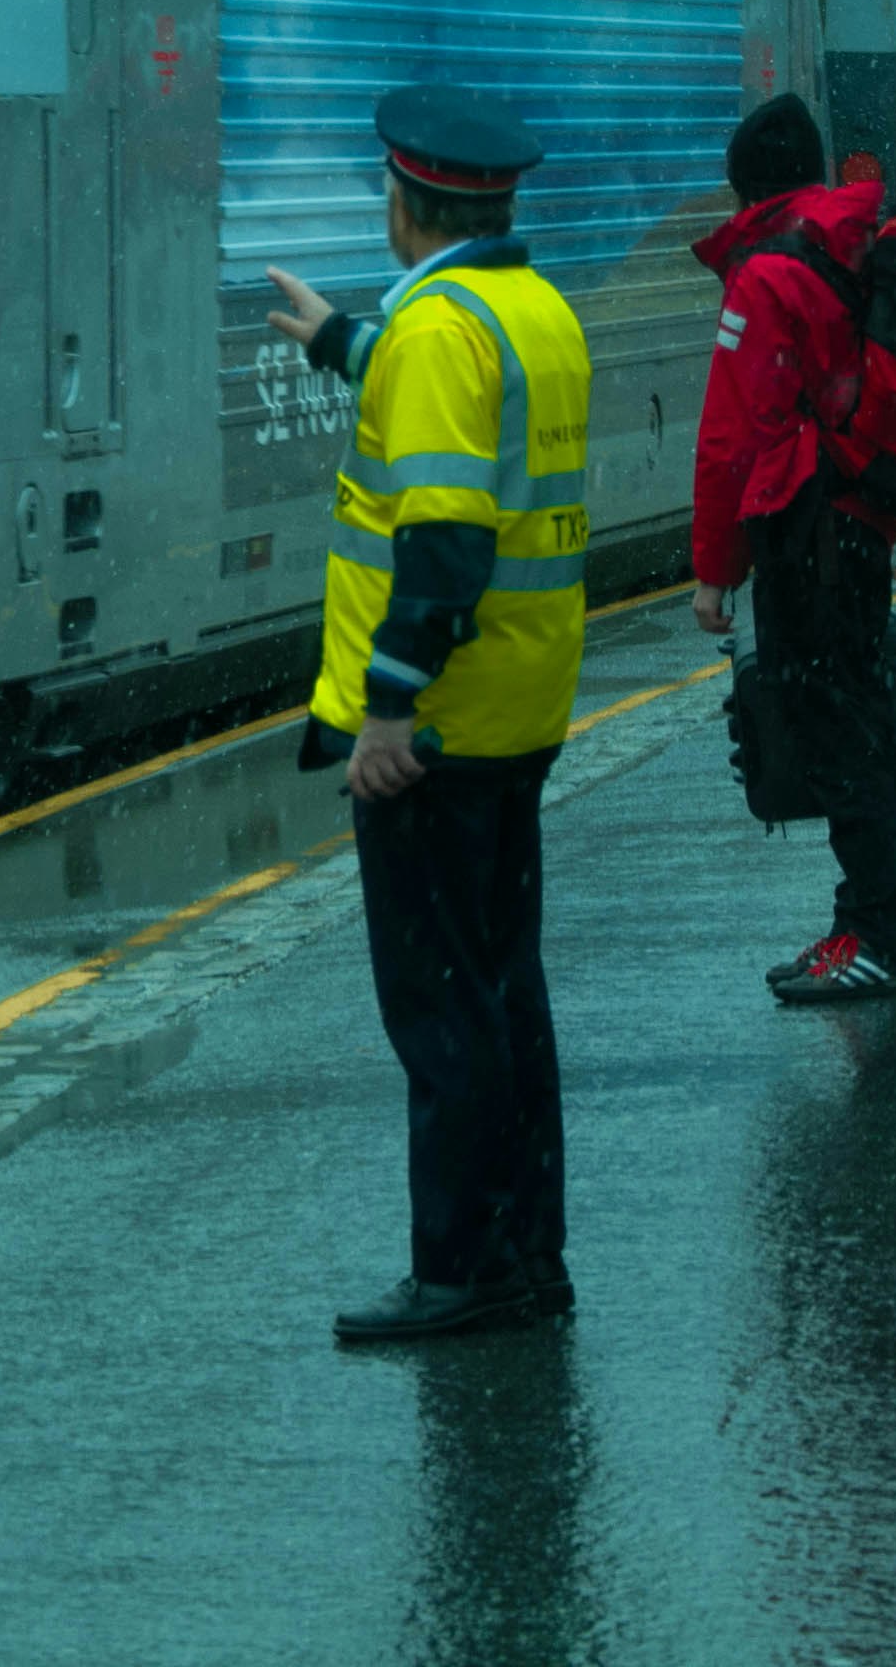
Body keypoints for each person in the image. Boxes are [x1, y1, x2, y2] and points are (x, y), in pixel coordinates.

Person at [261, 83, 594, 1342]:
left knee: (440, 1006)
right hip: (520, 705)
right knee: (505, 989)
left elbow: (444, 539)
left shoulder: (438, 330)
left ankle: (458, 1269)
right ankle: (529, 1252)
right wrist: (342, 340)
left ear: (407, 202)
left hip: (435, 727)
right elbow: (460, 422)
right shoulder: (528, 307)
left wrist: (387, 713)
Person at [688, 92, 896, 1004]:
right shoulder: (852, 241)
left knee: (839, 732)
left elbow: (729, 437)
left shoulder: (770, 270)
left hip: (807, 533)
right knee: (852, 720)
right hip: (859, 520)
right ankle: (863, 925)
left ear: (746, 188)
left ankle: (878, 938)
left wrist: (717, 570)